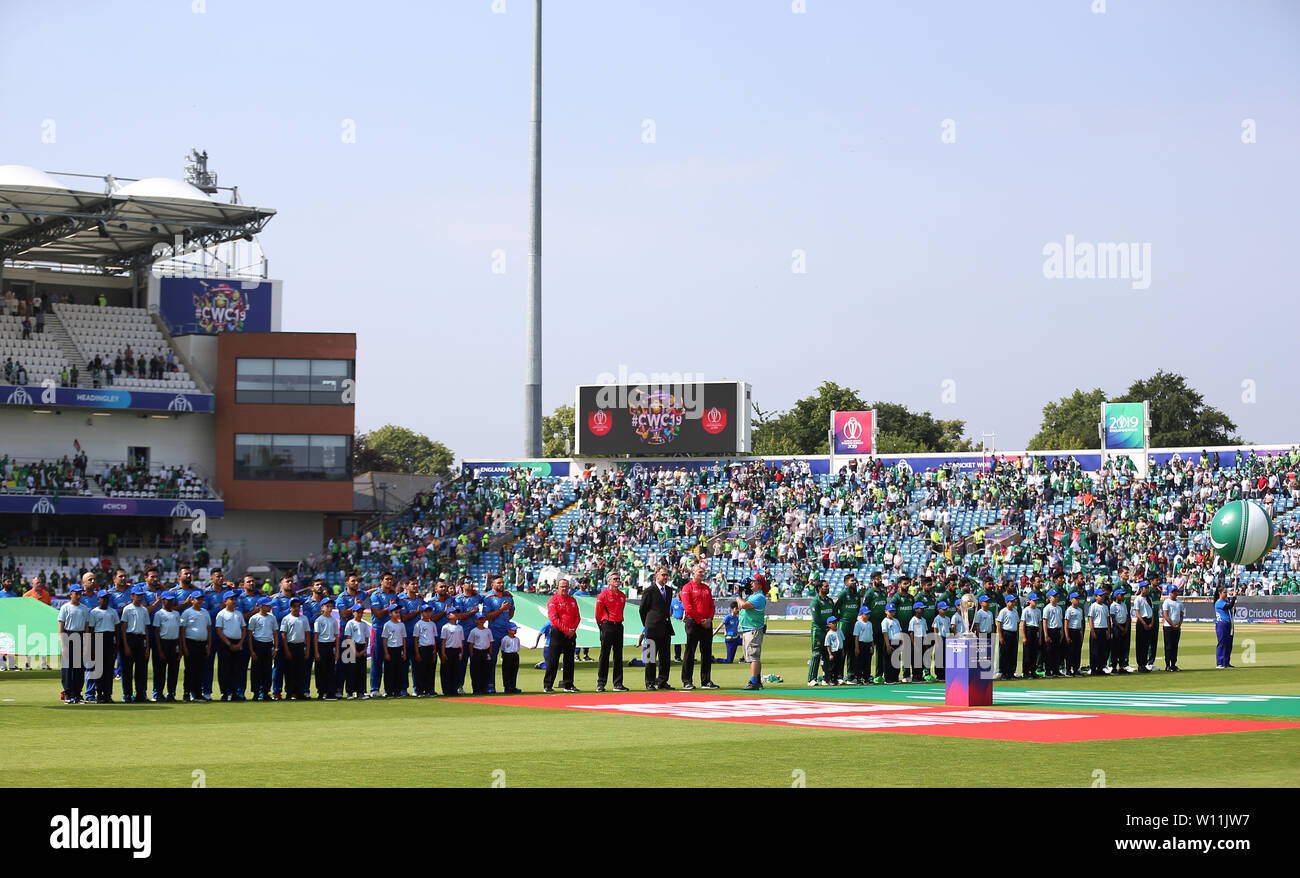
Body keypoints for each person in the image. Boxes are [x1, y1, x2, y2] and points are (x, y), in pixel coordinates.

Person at [679, 564, 717, 690]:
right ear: (693, 573)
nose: (702, 573)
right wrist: (701, 620)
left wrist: (710, 619)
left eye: (703, 571)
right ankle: (687, 681)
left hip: (707, 623)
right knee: (690, 652)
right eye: (700, 571)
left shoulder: (706, 588)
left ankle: (706, 681)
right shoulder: (687, 588)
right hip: (693, 622)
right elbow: (688, 607)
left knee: (706, 653)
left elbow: (712, 606)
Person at [638, 566, 675, 690]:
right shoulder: (649, 590)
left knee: (665, 658)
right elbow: (642, 609)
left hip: (665, 628)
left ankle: (662, 681)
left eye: (667, 575)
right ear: (656, 576)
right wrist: (647, 624)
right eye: (663, 575)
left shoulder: (669, 590)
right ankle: (649, 682)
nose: (665, 577)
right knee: (650, 657)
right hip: (652, 628)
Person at [543, 578, 580, 693]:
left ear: (569, 587)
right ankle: (548, 685)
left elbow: (577, 617)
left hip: (571, 633)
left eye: (566, 586)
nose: (564, 588)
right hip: (558, 632)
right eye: (562, 586)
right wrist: (566, 630)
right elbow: (553, 619)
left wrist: (572, 629)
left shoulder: (572, 600)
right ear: (558, 587)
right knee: (553, 660)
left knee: (569, 660)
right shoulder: (553, 600)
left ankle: (568, 685)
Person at [595, 570, 629, 692]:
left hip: (619, 626)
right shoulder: (603, 595)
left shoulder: (622, 595)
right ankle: (601, 683)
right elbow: (598, 614)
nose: (617, 581)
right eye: (615, 579)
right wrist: (603, 627)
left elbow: (621, 611)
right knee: (604, 655)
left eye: (618, 579)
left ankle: (618, 683)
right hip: (607, 626)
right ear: (608, 581)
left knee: (618, 656)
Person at [57, 583, 90, 704]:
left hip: (80, 635)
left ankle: (77, 694)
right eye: (76, 593)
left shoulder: (84, 609)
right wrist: (63, 645)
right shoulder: (65, 608)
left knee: (79, 667)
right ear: (71, 594)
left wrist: (86, 645)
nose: (78, 596)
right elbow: (61, 628)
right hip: (68, 635)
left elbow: (87, 628)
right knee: (67, 667)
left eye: (80, 593)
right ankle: (67, 692)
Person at [119, 585, 151, 703]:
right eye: (137, 595)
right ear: (132, 596)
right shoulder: (127, 609)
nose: (140, 597)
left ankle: (140, 694)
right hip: (130, 638)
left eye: (141, 595)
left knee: (141, 669)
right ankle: (127, 694)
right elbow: (123, 628)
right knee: (127, 669)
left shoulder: (144, 610)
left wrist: (147, 646)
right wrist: (125, 645)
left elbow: (146, 629)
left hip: (141, 639)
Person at [180, 591, 213, 702]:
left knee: (200, 670)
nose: (199, 601)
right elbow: (183, 630)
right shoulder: (187, 613)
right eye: (197, 599)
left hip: (202, 643)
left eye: (201, 599)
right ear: (192, 600)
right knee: (190, 670)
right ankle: (186, 693)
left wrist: (208, 646)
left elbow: (209, 629)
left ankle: (198, 694)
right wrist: (184, 647)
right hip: (190, 643)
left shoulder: (205, 612)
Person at [88, 589, 120, 703]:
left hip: (109, 639)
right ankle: (99, 694)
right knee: (99, 669)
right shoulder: (94, 612)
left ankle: (108, 694)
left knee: (109, 669)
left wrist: (116, 646)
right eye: (103, 598)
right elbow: (91, 631)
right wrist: (91, 648)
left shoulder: (113, 612)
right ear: (98, 599)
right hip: (98, 638)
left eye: (107, 598)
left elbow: (116, 630)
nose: (105, 600)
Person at [214, 591, 247, 701]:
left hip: (237, 642)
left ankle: (234, 692)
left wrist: (240, 643)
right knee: (224, 669)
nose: (233, 601)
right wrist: (229, 644)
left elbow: (243, 629)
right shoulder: (221, 614)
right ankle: (225, 692)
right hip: (225, 643)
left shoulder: (238, 614)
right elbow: (219, 630)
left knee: (236, 668)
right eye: (231, 599)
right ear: (225, 601)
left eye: (234, 599)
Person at [736, 577, 767, 690]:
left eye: (753, 582)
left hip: (753, 629)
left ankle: (754, 681)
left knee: (753, 656)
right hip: (748, 629)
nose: (750, 584)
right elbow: (740, 606)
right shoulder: (752, 596)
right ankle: (757, 680)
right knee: (751, 656)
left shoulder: (759, 597)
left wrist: (737, 595)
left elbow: (743, 605)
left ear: (759, 584)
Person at [151, 591, 182, 701]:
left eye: (171, 599)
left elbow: (179, 632)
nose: (170, 601)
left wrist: (180, 648)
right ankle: (159, 693)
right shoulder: (159, 614)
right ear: (163, 600)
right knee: (160, 671)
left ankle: (171, 693)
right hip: (163, 643)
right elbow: (157, 632)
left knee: (174, 670)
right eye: (168, 599)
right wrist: (159, 650)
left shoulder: (176, 614)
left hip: (174, 643)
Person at [279, 597, 310, 700]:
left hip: (300, 646)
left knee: (300, 671)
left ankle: (299, 692)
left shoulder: (304, 618)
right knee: (289, 671)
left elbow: (307, 634)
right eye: (294, 606)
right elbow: (283, 635)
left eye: (298, 606)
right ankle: (289, 692)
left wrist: (308, 649)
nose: (296, 608)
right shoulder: (286, 619)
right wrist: (287, 650)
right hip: (290, 645)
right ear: (290, 608)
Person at [247, 597, 277, 701]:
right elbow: (250, 635)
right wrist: (251, 650)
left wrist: (275, 648)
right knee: (256, 670)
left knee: (267, 670)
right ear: (261, 606)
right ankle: (255, 693)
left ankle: (265, 692)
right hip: (257, 645)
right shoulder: (254, 618)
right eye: (267, 605)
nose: (269, 607)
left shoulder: (272, 617)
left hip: (268, 645)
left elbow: (275, 633)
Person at [807, 581, 835, 686]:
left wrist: (833, 626)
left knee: (827, 654)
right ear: (819, 588)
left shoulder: (830, 601)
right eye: (826, 586)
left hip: (828, 631)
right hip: (818, 631)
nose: (828, 588)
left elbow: (834, 615)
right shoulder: (815, 602)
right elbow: (817, 619)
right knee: (816, 654)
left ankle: (826, 679)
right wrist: (828, 626)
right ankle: (811, 679)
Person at [342, 601, 370, 699]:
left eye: (361, 612)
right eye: (358, 612)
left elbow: (367, 637)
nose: (360, 614)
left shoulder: (364, 624)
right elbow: (348, 637)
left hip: (361, 646)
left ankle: (360, 692)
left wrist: (364, 649)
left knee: (361, 671)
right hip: (351, 646)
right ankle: (350, 692)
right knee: (351, 671)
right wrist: (355, 651)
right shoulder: (350, 623)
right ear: (353, 612)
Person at [313, 596, 339, 700]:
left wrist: (337, 651)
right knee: (320, 670)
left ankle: (330, 692)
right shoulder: (319, 620)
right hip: (321, 645)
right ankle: (321, 691)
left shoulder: (333, 620)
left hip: (330, 645)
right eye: (327, 606)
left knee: (330, 670)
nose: (329, 608)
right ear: (322, 607)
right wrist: (316, 651)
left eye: (331, 606)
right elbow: (316, 636)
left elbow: (336, 636)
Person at [381, 602, 408, 697]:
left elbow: (404, 639)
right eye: (395, 612)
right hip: (390, 649)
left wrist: (404, 652)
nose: (397, 614)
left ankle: (397, 691)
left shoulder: (401, 625)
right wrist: (386, 653)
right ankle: (389, 691)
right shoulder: (387, 625)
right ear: (390, 614)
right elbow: (385, 640)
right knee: (389, 672)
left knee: (399, 671)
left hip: (399, 649)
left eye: (398, 612)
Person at [413, 603, 439, 697]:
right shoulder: (418, 624)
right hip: (422, 648)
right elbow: (416, 639)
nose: (428, 613)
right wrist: (417, 653)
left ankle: (430, 689)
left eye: (429, 611)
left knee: (430, 670)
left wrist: (435, 652)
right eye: (426, 612)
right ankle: (420, 690)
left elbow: (434, 638)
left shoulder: (432, 624)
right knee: (421, 670)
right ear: (422, 613)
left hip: (430, 648)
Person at [439, 608, 464, 697]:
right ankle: (446, 690)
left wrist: (461, 652)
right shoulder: (445, 627)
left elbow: (461, 641)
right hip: (448, 650)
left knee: (456, 670)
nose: (456, 615)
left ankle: (454, 689)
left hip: (457, 650)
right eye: (453, 613)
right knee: (447, 671)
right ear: (448, 616)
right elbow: (443, 641)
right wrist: (443, 653)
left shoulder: (460, 627)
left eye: (457, 613)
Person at [468, 611, 493, 694]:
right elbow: (471, 644)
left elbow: (490, 643)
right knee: (475, 671)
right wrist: (472, 655)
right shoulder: (473, 631)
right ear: (476, 620)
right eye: (479, 619)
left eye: (482, 619)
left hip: (485, 652)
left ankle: (484, 688)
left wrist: (489, 653)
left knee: (485, 671)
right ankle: (476, 689)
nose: (481, 621)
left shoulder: (488, 631)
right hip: (477, 651)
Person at [1132, 582, 1155, 673]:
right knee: (1140, 644)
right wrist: (1144, 623)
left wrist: (1152, 622)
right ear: (1141, 589)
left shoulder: (1149, 599)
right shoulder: (1138, 599)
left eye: (1147, 587)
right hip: (1142, 622)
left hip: (1149, 620)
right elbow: (1137, 613)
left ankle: (1144, 664)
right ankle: (1140, 664)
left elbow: (1152, 611)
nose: (1147, 589)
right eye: (1145, 587)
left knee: (1146, 644)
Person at [995, 595, 1019, 681]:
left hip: (1013, 633)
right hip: (1006, 633)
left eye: (1013, 601)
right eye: (1011, 601)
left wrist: (1017, 636)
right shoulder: (1003, 611)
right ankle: (1004, 673)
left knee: (1013, 654)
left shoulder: (1015, 611)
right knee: (1005, 654)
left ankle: (1011, 672)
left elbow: (1017, 624)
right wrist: (1001, 636)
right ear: (1007, 602)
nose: (1013, 603)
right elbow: (999, 624)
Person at [1214, 586, 1238, 669]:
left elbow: (1231, 612)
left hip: (1230, 624)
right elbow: (1228, 606)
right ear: (1220, 593)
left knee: (1229, 644)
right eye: (1224, 592)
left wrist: (1234, 609)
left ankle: (1226, 662)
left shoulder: (1227, 601)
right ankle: (1220, 662)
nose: (1226, 593)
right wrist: (1234, 597)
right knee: (1222, 643)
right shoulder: (1219, 602)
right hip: (1222, 624)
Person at [1161, 585, 1184, 672]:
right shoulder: (1167, 602)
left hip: (1177, 627)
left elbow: (1181, 615)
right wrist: (1172, 625)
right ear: (1170, 592)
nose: (1175, 593)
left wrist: (1179, 624)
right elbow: (1166, 615)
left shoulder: (1180, 603)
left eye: (1176, 591)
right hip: (1168, 627)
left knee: (1175, 646)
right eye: (1174, 591)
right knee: (1169, 646)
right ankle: (1167, 665)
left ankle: (1173, 664)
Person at [906, 601, 929, 682]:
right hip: (916, 640)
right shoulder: (913, 620)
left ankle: (920, 675)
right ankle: (915, 676)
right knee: (915, 660)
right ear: (916, 610)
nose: (923, 610)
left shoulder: (924, 620)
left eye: (923, 609)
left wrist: (926, 645)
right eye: (921, 608)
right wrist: (914, 645)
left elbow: (925, 633)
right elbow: (911, 633)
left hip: (922, 639)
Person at [1021, 593, 1042, 679]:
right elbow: (1023, 624)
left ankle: (1033, 671)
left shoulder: (1038, 611)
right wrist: (1024, 636)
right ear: (1029, 601)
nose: (1036, 602)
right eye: (1034, 600)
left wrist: (1040, 637)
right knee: (1027, 653)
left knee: (1034, 652)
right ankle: (1026, 672)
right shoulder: (1026, 610)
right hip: (1028, 629)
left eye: (1036, 600)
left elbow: (1039, 624)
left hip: (1035, 630)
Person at [1109, 588, 1130, 674]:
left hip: (1124, 626)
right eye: (1121, 595)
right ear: (1116, 596)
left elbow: (1127, 617)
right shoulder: (1113, 605)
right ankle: (1114, 667)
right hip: (1117, 628)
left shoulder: (1124, 605)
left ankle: (1121, 666)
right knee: (1115, 648)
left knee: (1123, 648)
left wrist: (1126, 627)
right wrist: (1122, 628)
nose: (1123, 596)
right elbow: (1113, 619)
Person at [880, 603, 902, 683]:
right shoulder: (885, 621)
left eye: (893, 611)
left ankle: (895, 677)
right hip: (889, 642)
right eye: (890, 611)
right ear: (886, 611)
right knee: (888, 661)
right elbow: (885, 634)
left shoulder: (896, 621)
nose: (892, 613)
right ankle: (888, 678)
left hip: (897, 642)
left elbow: (900, 632)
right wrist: (888, 645)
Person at [930, 601, 951, 681]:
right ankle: (939, 675)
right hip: (939, 638)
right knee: (939, 657)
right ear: (939, 609)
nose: (945, 611)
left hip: (946, 638)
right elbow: (935, 629)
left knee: (946, 657)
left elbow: (949, 629)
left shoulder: (947, 618)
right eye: (943, 609)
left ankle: (945, 674)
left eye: (946, 609)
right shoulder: (937, 618)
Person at [852, 607, 874, 685]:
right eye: (866, 614)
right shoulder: (858, 624)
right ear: (861, 614)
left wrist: (872, 646)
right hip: (861, 644)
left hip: (868, 644)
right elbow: (856, 636)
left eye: (868, 614)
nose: (868, 615)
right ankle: (858, 678)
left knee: (867, 662)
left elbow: (871, 635)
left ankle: (867, 678)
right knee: (860, 662)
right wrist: (857, 647)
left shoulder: (870, 623)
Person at [500, 622, 522, 694]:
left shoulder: (517, 639)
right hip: (507, 655)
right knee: (506, 672)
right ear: (508, 630)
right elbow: (503, 648)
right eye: (513, 630)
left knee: (514, 671)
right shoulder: (505, 639)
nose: (515, 631)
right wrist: (503, 656)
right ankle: (507, 687)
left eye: (515, 630)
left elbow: (518, 648)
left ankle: (513, 686)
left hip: (515, 655)